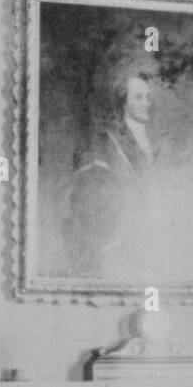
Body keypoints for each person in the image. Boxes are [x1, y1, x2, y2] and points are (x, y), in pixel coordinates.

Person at [63, 72, 165, 279]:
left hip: (154, 238)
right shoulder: (108, 141)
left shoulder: (157, 142)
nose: (147, 103)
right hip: (120, 243)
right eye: (138, 97)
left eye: (148, 97)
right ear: (123, 103)